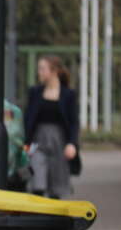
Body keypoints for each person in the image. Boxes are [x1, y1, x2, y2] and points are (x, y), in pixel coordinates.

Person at [23, 55, 80, 199]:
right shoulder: (35, 92)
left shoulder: (68, 95)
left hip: (59, 143)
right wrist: (26, 146)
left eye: (42, 69)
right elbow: (27, 120)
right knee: (36, 181)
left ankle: (53, 212)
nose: (39, 72)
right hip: (36, 143)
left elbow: (74, 122)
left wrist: (72, 144)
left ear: (54, 71)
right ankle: (36, 211)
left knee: (57, 186)